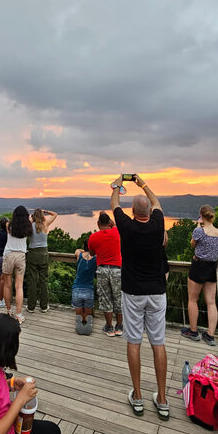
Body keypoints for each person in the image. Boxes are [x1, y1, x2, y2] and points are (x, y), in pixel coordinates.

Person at [111, 174, 169, 420]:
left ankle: (138, 396)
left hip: (133, 291)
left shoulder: (128, 227)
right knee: (159, 343)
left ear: (133, 211)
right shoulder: (158, 224)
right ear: (149, 211)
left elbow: (114, 205)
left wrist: (116, 185)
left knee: (133, 342)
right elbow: (157, 203)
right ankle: (163, 399)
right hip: (157, 292)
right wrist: (142, 183)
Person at [181, 205, 218, 346]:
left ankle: (193, 331)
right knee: (211, 302)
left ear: (201, 216)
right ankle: (210, 335)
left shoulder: (199, 231)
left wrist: (199, 226)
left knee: (193, 299)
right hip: (212, 267)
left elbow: (193, 245)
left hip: (199, 266)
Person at [88, 212, 122, 336]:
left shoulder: (93, 237)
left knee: (106, 298)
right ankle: (119, 326)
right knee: (118, 297)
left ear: (98, 224)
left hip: (102, 269)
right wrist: (113, 224)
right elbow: (120, 226)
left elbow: (91, 253)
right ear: (109, 223)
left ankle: (109, 327)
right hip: (117, 269)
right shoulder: (116, 232)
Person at [3, 206, 32, 325]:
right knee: (18, 286)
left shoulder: (8, 225)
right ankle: (19, 315)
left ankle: (9, 311)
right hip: (21, 255)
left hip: (9, 254)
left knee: (7, 285)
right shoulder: (28, 226)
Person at [26, 208, 57, 314]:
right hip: (43, 254)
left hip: (32, 254)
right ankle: (44, 306)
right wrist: (47, 211)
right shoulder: (46, 223)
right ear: (42, 215)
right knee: (44, 280)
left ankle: (31, 307)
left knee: (32, 281)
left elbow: (26, 227)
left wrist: (30, 218)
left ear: (34, 216)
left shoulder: (31, 225)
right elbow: (55, 214)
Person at [72, 241, 97, 335]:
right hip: (89, 290)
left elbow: (76, 250)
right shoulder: (95, 258)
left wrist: (84, 251)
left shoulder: (80, 255)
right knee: (87, 314)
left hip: (76, 289)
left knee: (78, 314)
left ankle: (80, 320)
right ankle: (87, 322)